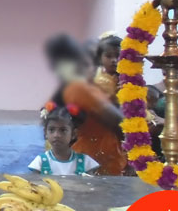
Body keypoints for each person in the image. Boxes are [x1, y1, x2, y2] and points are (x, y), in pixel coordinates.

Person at [44, 34, 127, 175]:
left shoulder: (93, 86)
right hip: (91, 160)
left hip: (107, 157)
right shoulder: (80, 89)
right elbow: (119, 121)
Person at [28, 104, 99, 176]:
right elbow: (35, 186)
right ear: (45, 133)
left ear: (73, 134)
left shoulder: (85, 163)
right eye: (51, 130)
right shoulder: (40, 162)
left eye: (63, 130)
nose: (56, 135)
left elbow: (91, 185)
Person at [92, 33, 122, 100]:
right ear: (100, 58)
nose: (114, 60)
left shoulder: (128, 77)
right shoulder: (96, 79)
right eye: (108, 56)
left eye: (118, 56)